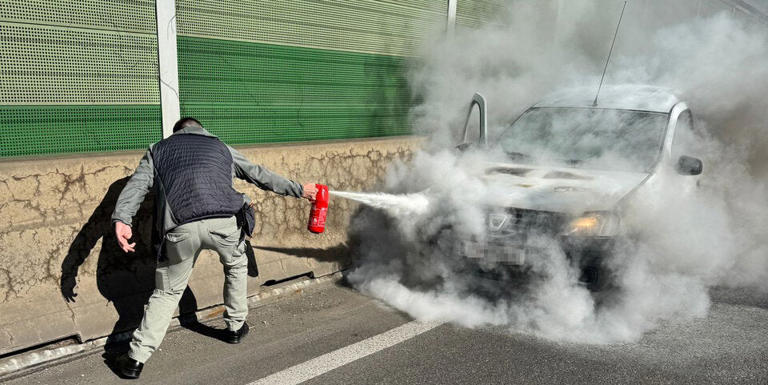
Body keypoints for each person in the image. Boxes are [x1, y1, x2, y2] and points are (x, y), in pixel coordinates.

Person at [110, 117, 318, 379]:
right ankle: (234, 328)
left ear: (177, 133)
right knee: (235, 266)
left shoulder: (157, 150)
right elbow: (259, 174)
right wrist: (299, 189)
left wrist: (122, 220)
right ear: (200, 129)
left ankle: (134, 360)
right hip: (225, 223)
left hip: (180, 226)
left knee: (167, 292)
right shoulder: (221, 147)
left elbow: (136, 187)